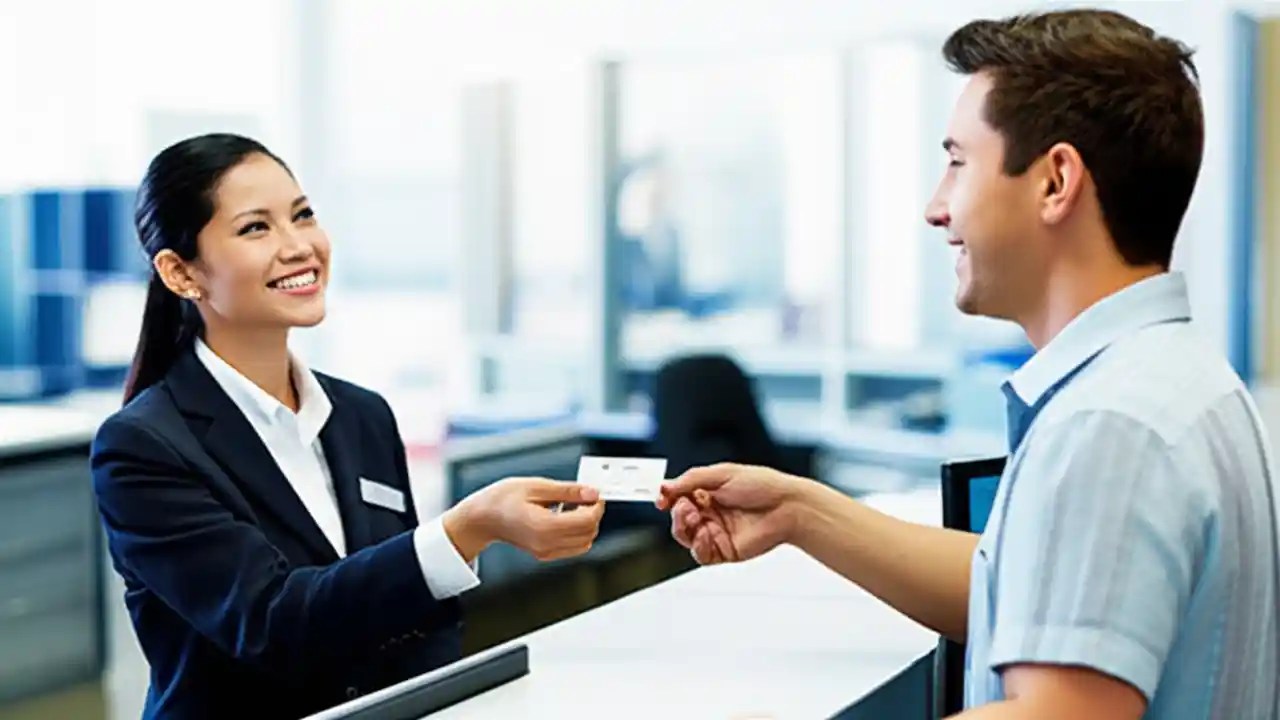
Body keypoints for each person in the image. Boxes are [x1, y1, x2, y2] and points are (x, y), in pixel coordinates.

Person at [659, 10, 1279, 720]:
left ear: (1055, 182)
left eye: (958, 162)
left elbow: (1061, 713)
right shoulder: (1178, 379)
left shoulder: (1110, 425)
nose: (935, 207)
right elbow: (1016, 594)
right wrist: (801, 512)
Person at [91, 133, 605, 719]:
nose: (298, 246)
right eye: (256, 228)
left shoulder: (361, 414)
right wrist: (466, 530)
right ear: (182, 274)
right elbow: (272, 623)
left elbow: (419, 616)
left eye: (302, 215)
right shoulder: (143, 447)